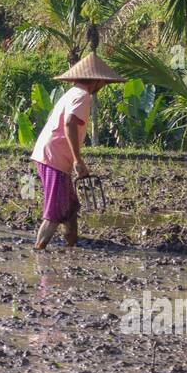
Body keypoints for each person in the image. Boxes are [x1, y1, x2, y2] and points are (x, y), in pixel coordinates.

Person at [31, 51, 123, 250]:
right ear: (97, 81)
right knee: (55, 211)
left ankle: (72, 246)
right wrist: (77, 160)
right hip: (54, 157)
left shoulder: (73, 92)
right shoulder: (82, 96)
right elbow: (70, 124)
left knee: (71, 207)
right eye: (104, 83)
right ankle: (38, 252)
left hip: (51, 154)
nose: (103, 86)